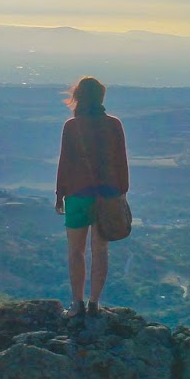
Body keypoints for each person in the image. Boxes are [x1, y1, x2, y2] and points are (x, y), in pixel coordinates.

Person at [54, 76, 129, 319]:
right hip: (107, 194)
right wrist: (122, 193)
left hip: (77, 193)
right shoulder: (114, 124)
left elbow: (64, 162)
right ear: (101, 98)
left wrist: (59, 195)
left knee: (75, 252)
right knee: (100, 250)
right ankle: (95, 303)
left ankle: (77, 305)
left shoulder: (72, 126)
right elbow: (121, 162)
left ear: (77, 98)